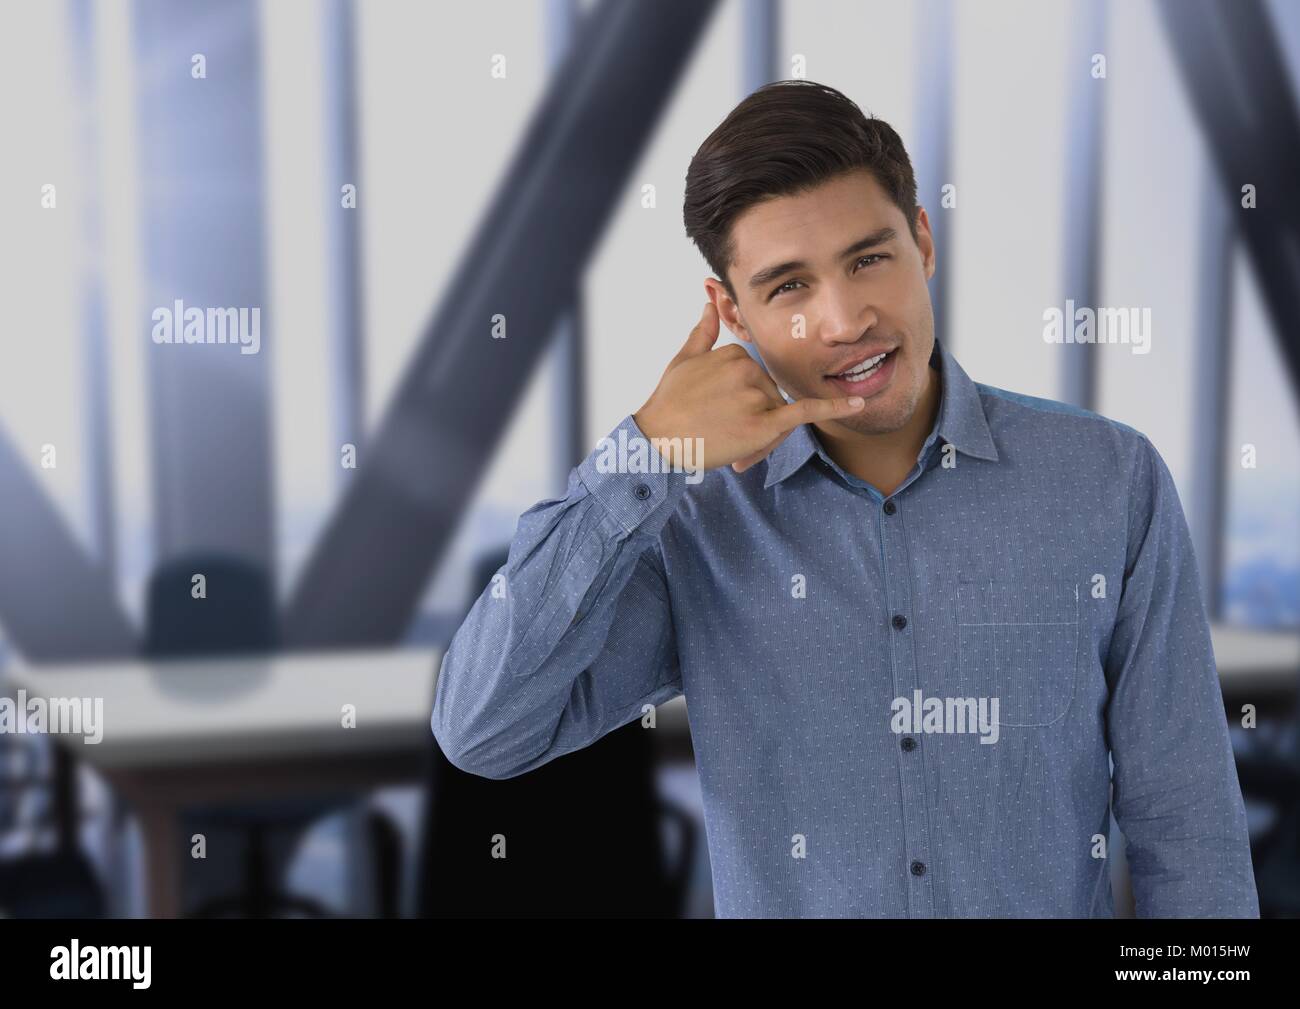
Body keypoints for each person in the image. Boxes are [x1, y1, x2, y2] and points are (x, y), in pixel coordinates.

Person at [431, 80, 1259, 918]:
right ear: (732, 312)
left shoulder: (1108, 480)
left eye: (869, 258)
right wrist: (641, 451)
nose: (844, 318)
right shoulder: (692, 521)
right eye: (789, 286)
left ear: (922, 241)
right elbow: (485, 731)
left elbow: (1184, 824)